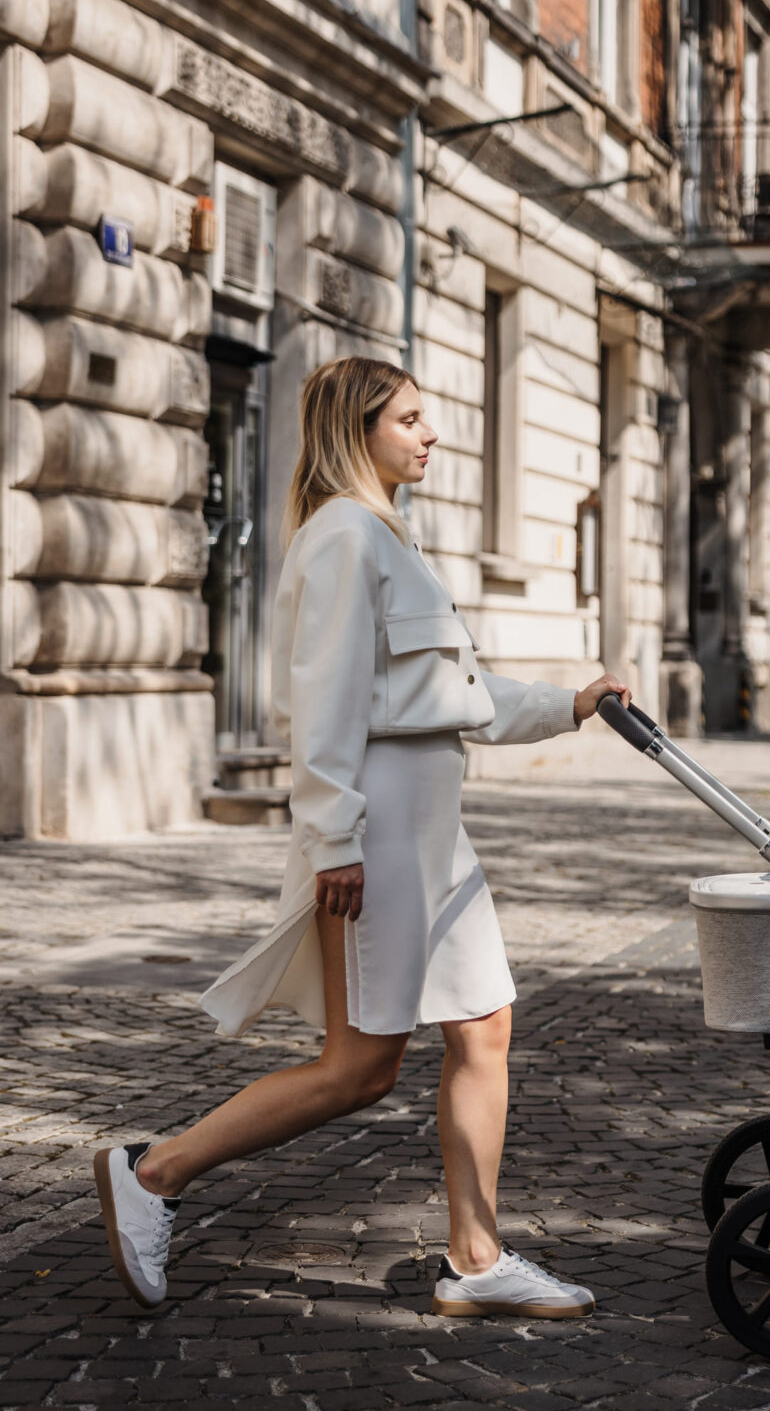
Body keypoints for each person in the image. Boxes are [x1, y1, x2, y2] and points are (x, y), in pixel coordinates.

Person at [94, 357, 629, 1320]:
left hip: (433, 840)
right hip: (375, 838)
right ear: (360, 428)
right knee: (359, 1068)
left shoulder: (391, 538)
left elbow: (456, 696)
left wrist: (572, 702)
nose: (432, 434)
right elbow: (326, 703)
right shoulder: (345, 539)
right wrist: (333, 836)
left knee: (484, 1028)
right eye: (411, 419)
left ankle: (476, 1258)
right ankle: (155, 1170)